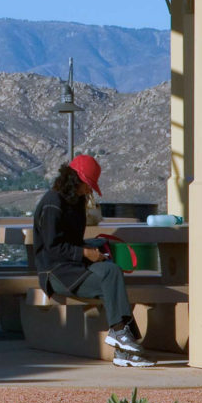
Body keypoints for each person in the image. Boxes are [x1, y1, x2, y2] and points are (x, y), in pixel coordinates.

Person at [33, 153, 154, 368]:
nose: (89, 190)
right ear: (75, 180)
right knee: (110, 274)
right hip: (56, 274)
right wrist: (85, 253)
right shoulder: (52, 204)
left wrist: (91, 248)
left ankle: (123, 346)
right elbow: (53, 248)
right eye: (88, 185)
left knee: (111, 272)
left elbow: (72, 241)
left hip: (74, 267)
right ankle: (122, 337)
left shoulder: (75, 202)